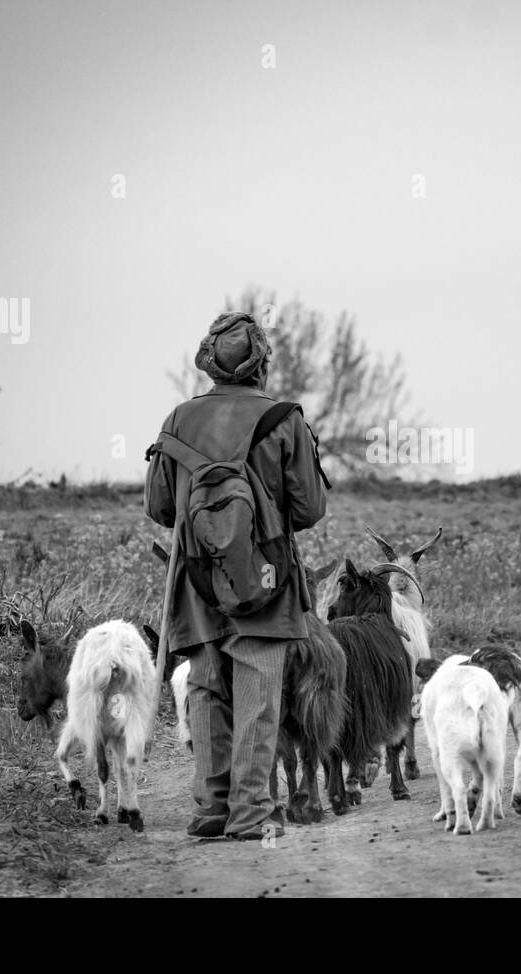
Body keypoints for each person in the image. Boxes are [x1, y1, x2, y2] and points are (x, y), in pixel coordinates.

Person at [145, 311, 328, 840]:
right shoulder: (283, 418)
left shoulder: (177, 420)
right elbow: (310, 508)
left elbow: (160, 507)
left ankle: (211, 809)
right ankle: (250, 814)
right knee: (258, 698)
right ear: (262, 364)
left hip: (196, 582)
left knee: (205, 691)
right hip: (266, 582)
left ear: (209, 365)